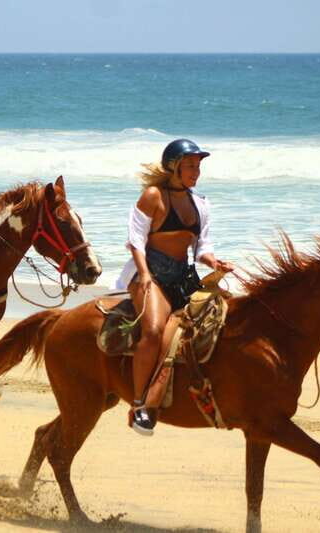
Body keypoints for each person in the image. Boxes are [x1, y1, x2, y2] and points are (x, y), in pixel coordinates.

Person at [114, 138, 234, 436]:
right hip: (150, 275)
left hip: (183, 277)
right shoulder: (153, 196)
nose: (196, 172)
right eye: (190, 166)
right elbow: (136, 241)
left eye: (198, 166)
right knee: (154, 330)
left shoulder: (200, 203)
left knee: (223, 319)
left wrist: (214, 261)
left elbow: (202, 246)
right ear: (173, 167)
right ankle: (140, 405)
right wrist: (143, 274)